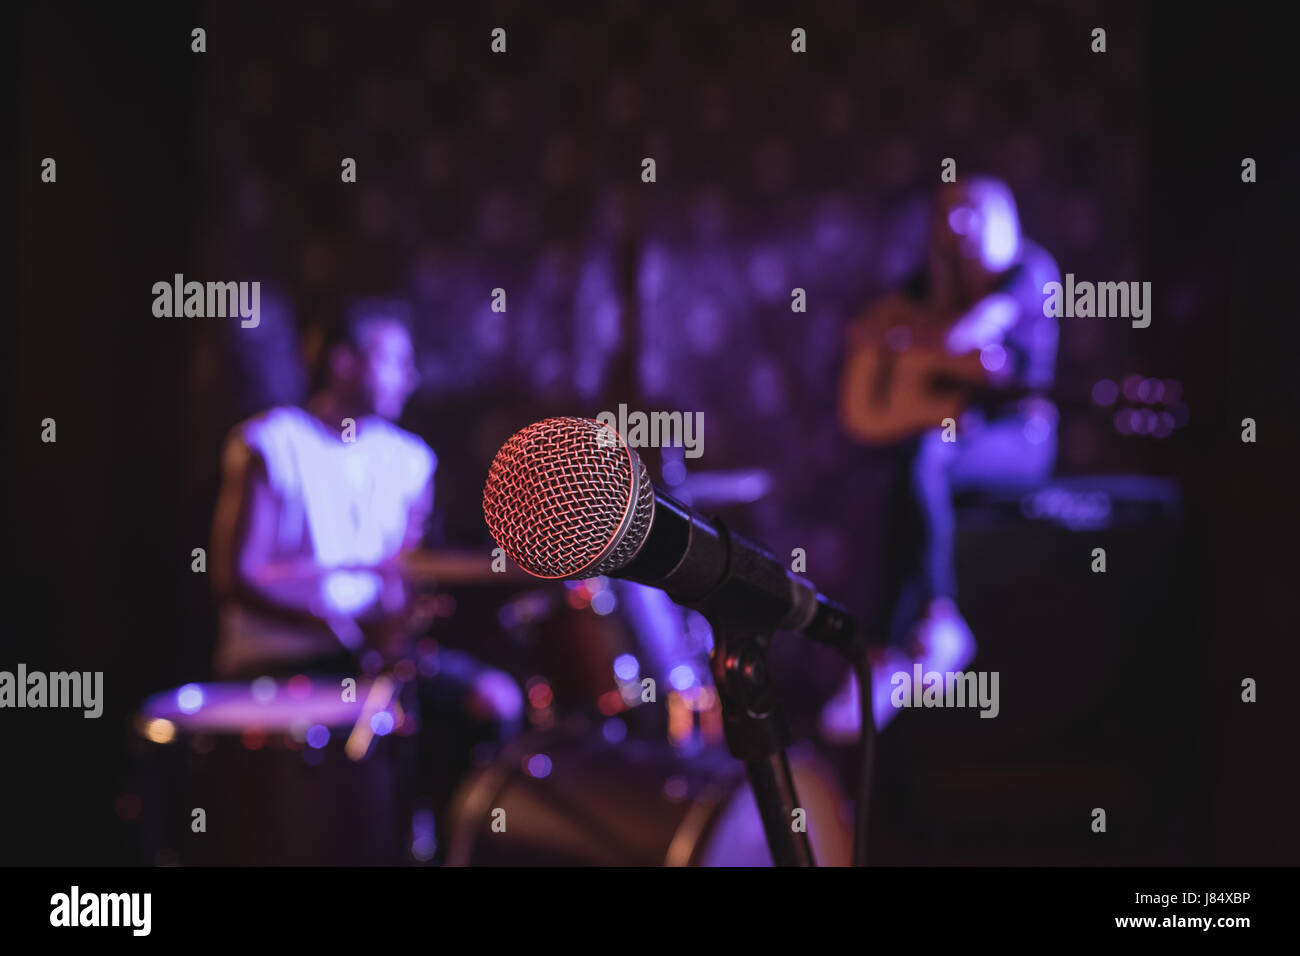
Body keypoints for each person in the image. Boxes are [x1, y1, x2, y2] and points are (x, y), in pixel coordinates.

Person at [210, 298, 522, 834]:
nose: (411, 377)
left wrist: (401, 623)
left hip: (370, 662)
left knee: (493, 700)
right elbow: (236, 577)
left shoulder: (409, 459)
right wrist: (346, 629)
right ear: (343, 362)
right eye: (395, 361)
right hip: (284, 661)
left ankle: (447, 846)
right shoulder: (271, 443)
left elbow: (405, 565)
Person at [822, 177, 1061, 738]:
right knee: (902, 480)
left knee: (927, 453)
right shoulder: (933, 281)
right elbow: (866, 329)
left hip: (1020, 441)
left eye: (968, 214)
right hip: (957, 436)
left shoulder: (1029, 272)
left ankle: (940, 622)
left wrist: (906, 339)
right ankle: (883, 654)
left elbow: (968, 339)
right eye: (946, 215)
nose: (955, 228)